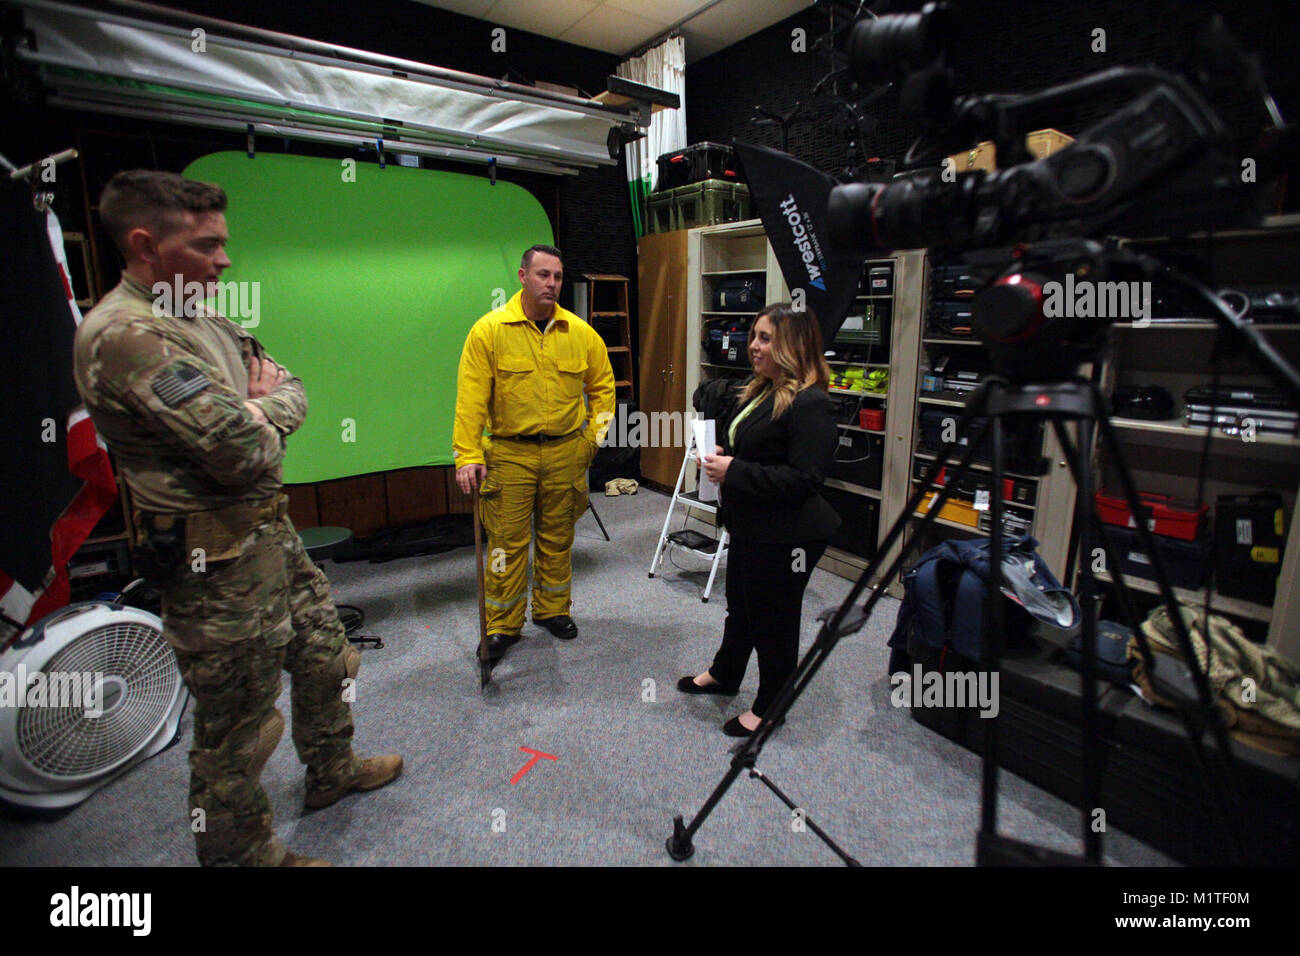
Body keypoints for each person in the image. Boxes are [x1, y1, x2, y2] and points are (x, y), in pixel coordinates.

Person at [72, 170, 402, 866]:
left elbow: (291, 387)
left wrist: (260, 408)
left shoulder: (206, 317)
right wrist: (259, 414)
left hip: (271, 538)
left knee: (326, 660)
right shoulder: (128, 334)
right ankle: (241, 857)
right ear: (145, 244)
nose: (225, 259)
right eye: (208, 244)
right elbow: (238, 448)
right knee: (238, 728)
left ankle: (331, 770)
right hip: (212, 564)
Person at [678, 304, 840, 736]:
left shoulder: (812, 404)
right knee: (742, 607)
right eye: (753, 335)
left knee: (774, 618)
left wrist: (735, 471)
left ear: (793, 345)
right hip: (752, 524)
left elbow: (806, 479)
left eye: (765, 338)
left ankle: (772, 704)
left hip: (790, 535)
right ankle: (726, 672)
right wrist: (720, 460)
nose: (752, 345)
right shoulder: (763, 390)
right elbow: (752, 450)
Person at [453, 245, 615, 666]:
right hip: (509, 455)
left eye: (558, 276)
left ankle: (553, 610)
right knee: (506, 545)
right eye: (543, 275)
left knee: (558, 539)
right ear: (523, 277)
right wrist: (467, 453)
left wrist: (591, 441)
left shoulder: (582, 333)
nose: (552, 284)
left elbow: (604, 392)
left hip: (566, 451)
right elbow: (470, 399)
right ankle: (503, 626)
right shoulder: (489, 331)